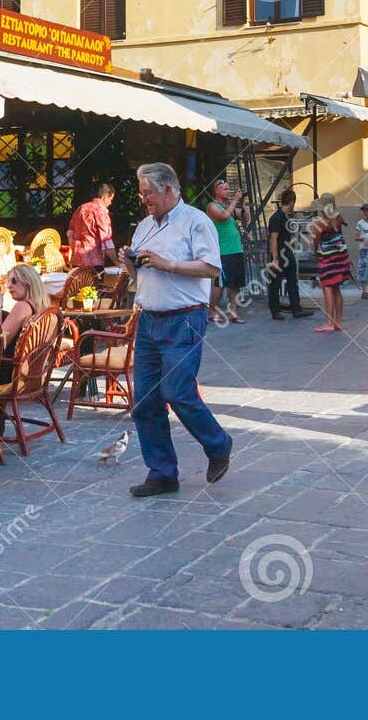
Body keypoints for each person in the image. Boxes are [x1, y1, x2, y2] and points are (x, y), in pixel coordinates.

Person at [118, 161, 232, 498]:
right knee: (145, 401)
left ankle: (218, 442)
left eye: (148, 193)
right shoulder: (143, 227)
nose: (144, 199)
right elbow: (142, 279)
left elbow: (211, 267)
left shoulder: (196, 221)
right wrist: (130, 264)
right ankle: (162, 473)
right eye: (142, 194)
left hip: (184, 319)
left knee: (177, 392)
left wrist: (168, 264)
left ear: (168, 188)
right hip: (149, 319)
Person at [206, 178, 247, 323]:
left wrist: (243, 204)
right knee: (220, 284)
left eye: (229, 188)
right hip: (223, 251)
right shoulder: (212, 206)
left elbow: (245, 218)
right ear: (216, 191)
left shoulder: (229, 207)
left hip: (236, 250)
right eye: (225, 189)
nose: (228, 191)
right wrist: (235, 200)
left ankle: (233, 312)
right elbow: (222, 217)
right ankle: (213, 310)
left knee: (235, 283)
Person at [265, 189, 310, 320]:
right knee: (275, 283)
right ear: (291, 202)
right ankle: (275, 311)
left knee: (292, 281)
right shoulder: (276, 218)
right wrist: (275, 259)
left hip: (287, 254)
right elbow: (273, 239)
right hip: (278, 255)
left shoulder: (285, 217)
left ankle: (296, 308)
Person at [311, 192, 351, 333]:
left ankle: (329, 322)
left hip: (328, 258)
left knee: (327, 287)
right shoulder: (338, 217)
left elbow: (315, 241)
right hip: (341, 257)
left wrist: (315, 250)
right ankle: (338, 321)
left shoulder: (320, 223)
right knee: (336, 289)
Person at [67, 183, 116, 269]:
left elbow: (70, 233)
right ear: (105, 197)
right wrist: (117, 261)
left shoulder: (80, 208)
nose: (110, 203)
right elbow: (106, 240)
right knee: (92, 283)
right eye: (110, 199)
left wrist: (75, 249)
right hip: (94, 262)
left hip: (77, 260)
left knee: (78, 282)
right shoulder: (101, 212)